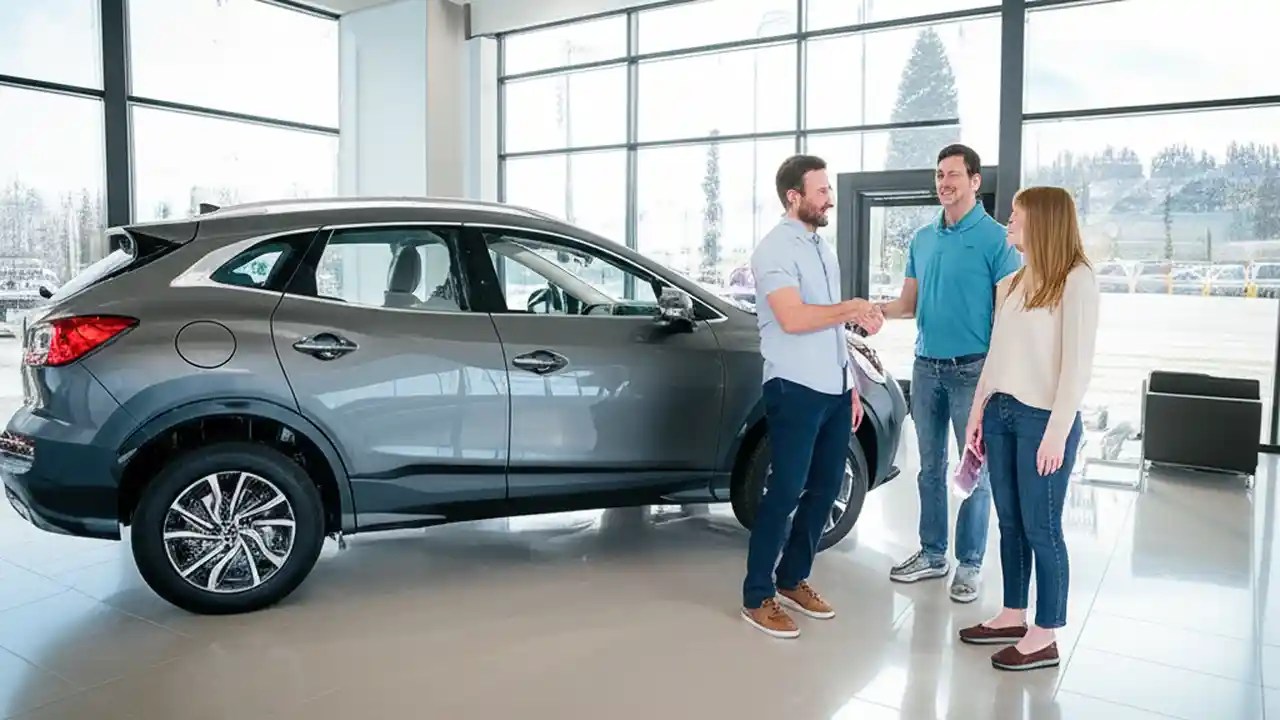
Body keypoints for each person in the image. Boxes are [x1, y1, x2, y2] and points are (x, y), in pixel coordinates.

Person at [740, 154, 884, 639]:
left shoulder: (823, 249)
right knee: (784, 491)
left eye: (828, 189)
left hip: (834, 390)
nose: (829, 198)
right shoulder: (773, 251)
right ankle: (757, 595)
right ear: (793, 197)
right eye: (820, 190)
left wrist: (851, 384)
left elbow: (831, 328)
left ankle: (791, 577)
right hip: (794, 388)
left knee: (825, 491)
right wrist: (853, 308)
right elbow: (795, 319)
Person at [957, 186, 1098, 671]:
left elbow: (1077, 367)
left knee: (1043, 526)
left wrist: (1058, 433)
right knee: (1011, 523)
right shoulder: (1012, 284)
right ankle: (1013, 614)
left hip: (1043, 420)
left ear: (1043, 221)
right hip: (1002, 414)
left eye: (1015, 216)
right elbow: (997, 359)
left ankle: (1045, 633)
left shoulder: (1077, 281)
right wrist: (978, 413)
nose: (1007, 223)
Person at [876, 144, 1022, 603]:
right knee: (929, 470)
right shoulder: (923, 239)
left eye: (953, 174)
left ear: (975, 181)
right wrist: (869, 310)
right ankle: (933, 554)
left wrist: (997, 380)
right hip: (926, 368)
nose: (944, 182)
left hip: (973, 372)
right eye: (939, 174)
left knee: (974, 472)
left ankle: (971, 564)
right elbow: (907, 305)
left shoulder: (999, 240)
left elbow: (1009, 319)